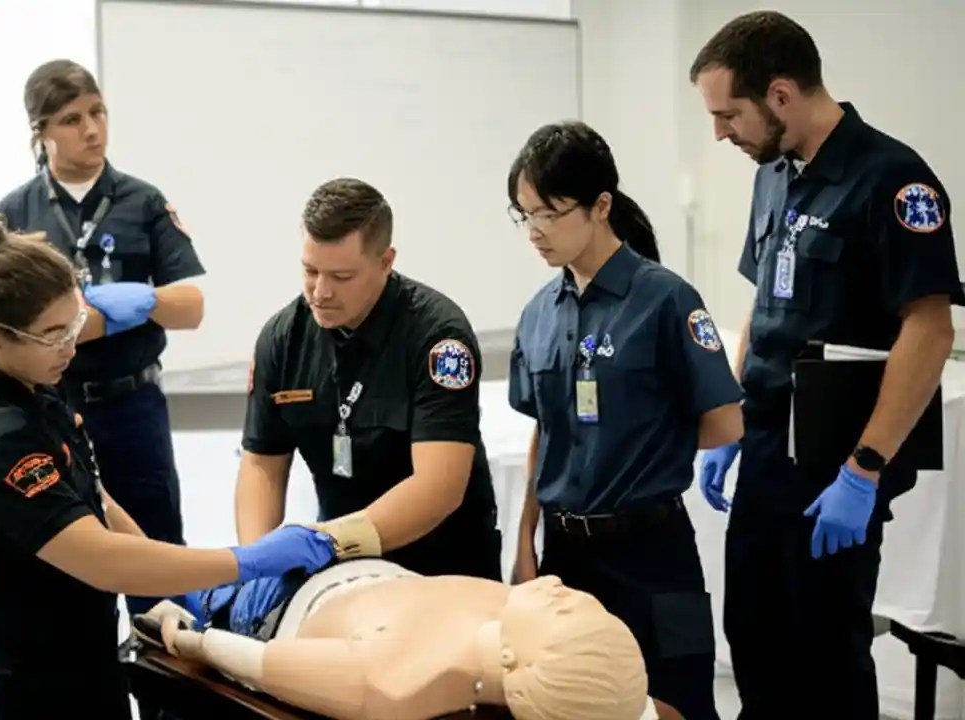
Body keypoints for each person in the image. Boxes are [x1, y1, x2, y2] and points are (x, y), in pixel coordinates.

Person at [0, 218, 336, 720]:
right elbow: (101, 558)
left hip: (81, 651)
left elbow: (94, 497)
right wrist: (242, 562)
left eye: (75, 325)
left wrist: (176, 585)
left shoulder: (25, 379)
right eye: (53, 335)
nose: (71, 347)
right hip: (43, 683)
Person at [689, 11, 964, 719]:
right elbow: (764, 306)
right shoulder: (773, 175)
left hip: (835, 469)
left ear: (781, 95)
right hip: (765, 455)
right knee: (754, 640)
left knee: (825, 659)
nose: (720, 133)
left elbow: (930, 330)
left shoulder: (892, 179)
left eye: (728, 114)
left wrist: (864, 469)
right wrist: (730, 418)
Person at [505, 121, 744, 720]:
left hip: (650, 550)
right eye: (525, 214)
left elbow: (725, 422)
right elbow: (544, 433)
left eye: (550, 213)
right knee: (567, 707)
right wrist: (525, 541)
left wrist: (640, 440)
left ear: (601, 206)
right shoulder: (538, 314)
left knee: (677, 704)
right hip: (565, 555)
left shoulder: (665, 299)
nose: (535, 231)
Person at [0, 59, 205, 618]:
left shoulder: (142, 201)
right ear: (40, 131)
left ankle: (168, 671)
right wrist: (100, 320)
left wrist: (145, 302)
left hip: (132, 405)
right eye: (71, 119)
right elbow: (7, 330)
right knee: (66, 564)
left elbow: (191, 307)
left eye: (98, 112)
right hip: (51, 408)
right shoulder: (14, 215)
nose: (91, 130)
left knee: (157, 553)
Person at [237, 177, 503, 580]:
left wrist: (331, 542)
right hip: (343, 569)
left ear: (385, 261)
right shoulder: (283, 339)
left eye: (341, 277)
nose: (320, 292)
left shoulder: (438, 339)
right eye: (310, 271)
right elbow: (262, 466)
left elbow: (439, 486)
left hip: (442, 566)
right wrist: (256, 566)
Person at [135, 563, 648, 720]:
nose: (559, 588)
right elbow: (626, 702)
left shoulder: (395, 681)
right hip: (355, 567)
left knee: (177, 570)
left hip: (274, 604)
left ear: (516, 661)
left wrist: (192, 641)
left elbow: (259, 663)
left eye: (564, 613)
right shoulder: (523, 609)